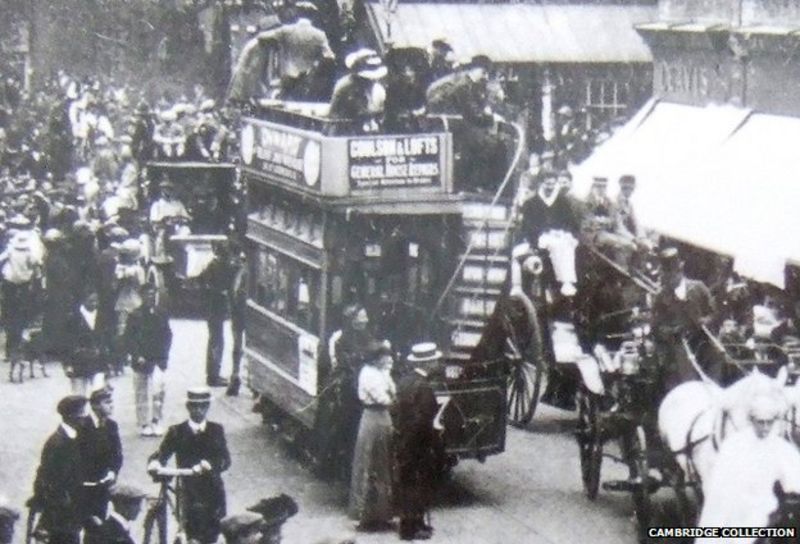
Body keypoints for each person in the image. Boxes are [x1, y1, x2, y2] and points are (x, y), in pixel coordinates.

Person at [697, 394, 800, 542]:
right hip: (731, 508)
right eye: (761, 422)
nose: (765, 427)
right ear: (751, 420)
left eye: (769, 422)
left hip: (763, 509)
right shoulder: (733, 445)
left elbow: (795, 476)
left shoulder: (779, 446)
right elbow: (718, 486)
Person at [148, 388, 231, 544]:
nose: (198, 410)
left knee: (213, 531)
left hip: (212, 488)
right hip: (188, 488)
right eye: (194, 406)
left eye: (202, 406)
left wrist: (209, 465)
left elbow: (225, 460)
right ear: (188, 407)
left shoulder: (216, 430)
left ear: (208, 407)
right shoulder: (177, 431)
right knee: (190, 528)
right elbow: (162, 453)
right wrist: (155, 463)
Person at [426, 55, 505, 192]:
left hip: (455, 122)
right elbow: (472, 114)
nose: (485, 77)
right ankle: (471, 184)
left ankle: (473, 183)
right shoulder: (462, 85)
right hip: (449, 124)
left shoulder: (468, 82)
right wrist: (491, 118)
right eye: (484, 72)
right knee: (485, 142)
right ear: (475, 69)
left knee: (483, 139)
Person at [314, 305, 373, 479]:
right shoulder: (338, 338)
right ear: (352, 320)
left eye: (365, 317)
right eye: (361, 317)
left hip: (359, 383)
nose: (365, 320)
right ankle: (324, 464)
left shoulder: (367, 335)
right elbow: (338, 362)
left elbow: (371, 352)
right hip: (342, 386)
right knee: (337, 424)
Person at [394, 342, 443, 541]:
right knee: (418, 485)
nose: (437, 364)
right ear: (427, 363)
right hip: (418, 444)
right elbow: (423, 419)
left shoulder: (405, 381)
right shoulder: (424, 388)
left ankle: (413, 523)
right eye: (435, 361)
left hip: (404, 440)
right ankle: (411, 528)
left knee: (408, 484)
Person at [651, 248, 718, 391]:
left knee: (716, 361)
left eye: (670, 274)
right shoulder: (661, 297)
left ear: (679, 272)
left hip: (703, 342)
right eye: (665, 274)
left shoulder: (698, 288)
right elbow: (656, 327)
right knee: (686, 379)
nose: (667, 279)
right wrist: (671, 330)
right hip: (678, 347)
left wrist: (704, 321)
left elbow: (713, 314)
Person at [349, 340, 396, 532]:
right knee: (369, 464)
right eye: (384, 356)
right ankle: (365, 516)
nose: (388, 359)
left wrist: (389, 382)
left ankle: (382, 514)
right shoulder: (368, 374)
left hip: (383, 418)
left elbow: (392, 391)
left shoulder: (381, 372)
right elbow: (383, 398)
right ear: (376, 358)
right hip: (373, 417)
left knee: (383, 464)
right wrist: (392, 398)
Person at [31, 395, 87, 544]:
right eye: (81, 413)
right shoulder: (58, 443)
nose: (84, 417)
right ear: (71, 416)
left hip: (68, 507)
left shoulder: (72, 437)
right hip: (61, 511)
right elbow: (51, 479)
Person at [126, 284, 172, 436]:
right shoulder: (135, 315)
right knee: (141, 392)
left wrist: (164, 355)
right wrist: (136, 355)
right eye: (147, 294)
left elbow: (167, 335)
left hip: (158, 358)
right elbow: (129, 338)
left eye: (153, 294)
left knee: (159, 390)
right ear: (142, 296)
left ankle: (156, 420)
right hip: (141, 358)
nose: (150, 297)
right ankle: (144, 423)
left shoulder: (162, 313)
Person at [79, 386, 123, 541]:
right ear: (95, 405)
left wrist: (112, 472)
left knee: (97, 528)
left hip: (102, 485)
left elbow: (117, 455)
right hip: (83, 486)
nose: (111, 405)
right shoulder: (82, 426)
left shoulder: (111, 425)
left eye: (111, 402)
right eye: (107, 402)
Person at [195, 242, 233, 387]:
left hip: (212, 308)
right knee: (217, 342)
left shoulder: (212, 265)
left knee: (215, 341)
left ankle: (212, 374)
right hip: (217, 308)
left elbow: (200, 281)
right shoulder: (221, 266)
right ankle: (213, 376)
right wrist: (219, 292)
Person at [329, 49, 388, 133]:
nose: (369, 81)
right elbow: (335, 113)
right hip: (345, 129)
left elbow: (380, 113)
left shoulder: (379, 90)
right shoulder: (344, 87)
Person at [65, 290, 106, 395]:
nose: (94, 304)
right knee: (79, 397)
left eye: (96, 301)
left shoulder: (101, 317)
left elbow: (106, 338)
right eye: (91, 301)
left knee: (99, 396)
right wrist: (68, 364)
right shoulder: (74, 318)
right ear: (83, 300)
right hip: (79, 363)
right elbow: (67, 343)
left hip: (97, 363)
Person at [227, 249, 247, 396]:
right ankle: (235, 376)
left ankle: (235, 376)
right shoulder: (242, 272)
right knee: (239, 346)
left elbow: (236, 292)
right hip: (241, 313)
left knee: (237, 347)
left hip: (239, 313)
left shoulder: (241, 273)